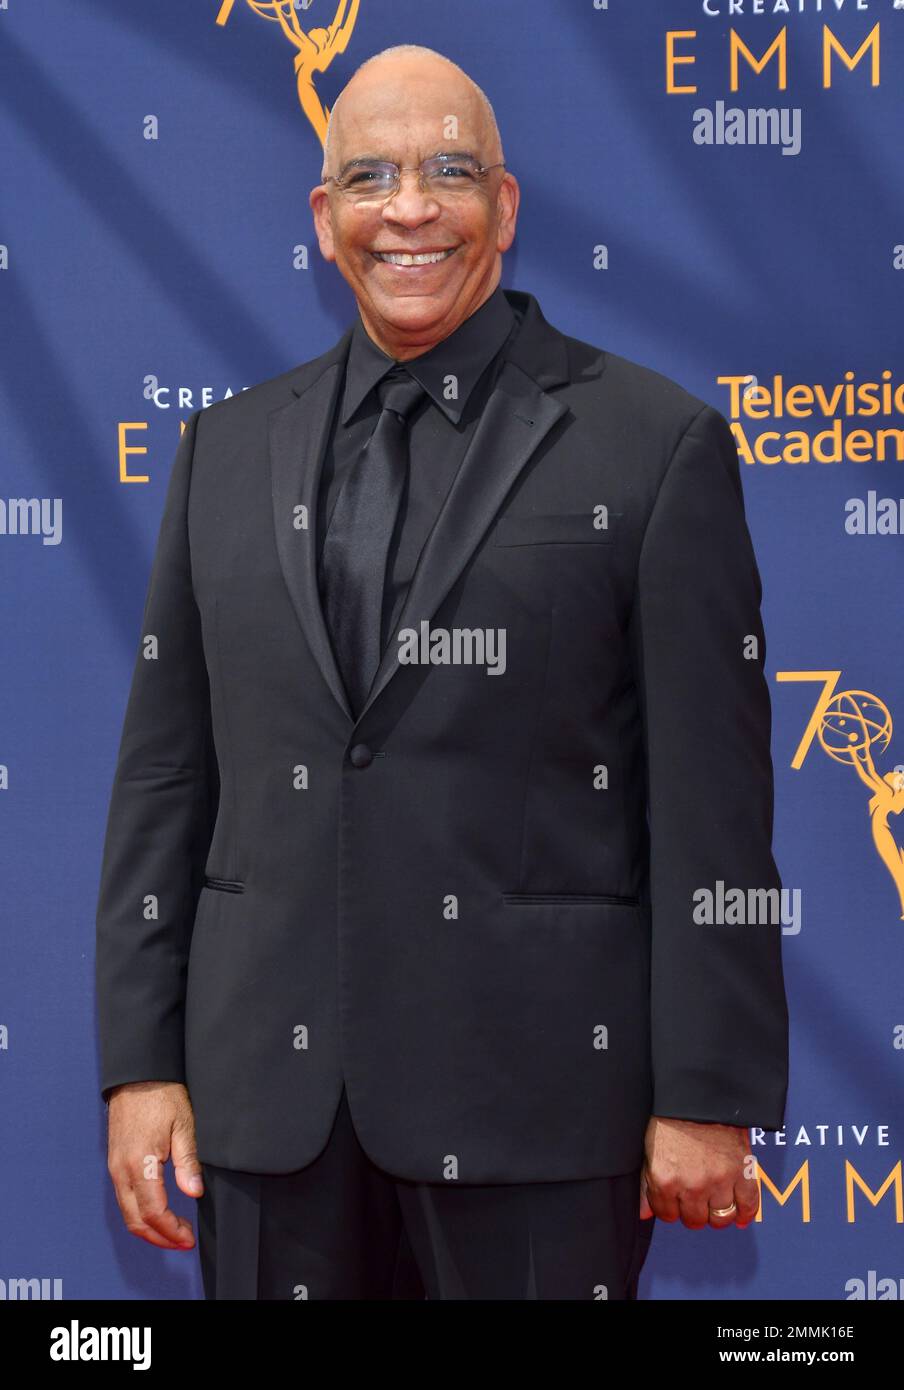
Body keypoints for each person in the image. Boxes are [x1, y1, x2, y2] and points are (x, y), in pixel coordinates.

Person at [96, 44, 789, 1300]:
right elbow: (163, 778)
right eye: (369, 177)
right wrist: (141, 1068)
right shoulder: (223, 451)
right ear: (325, 219)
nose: (406, 208)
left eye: (446, 171)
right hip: (268, 1115)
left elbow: (713, 812)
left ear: (505, 207)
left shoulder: (651, 446)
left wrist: (707, 1091)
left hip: (539, 1110)